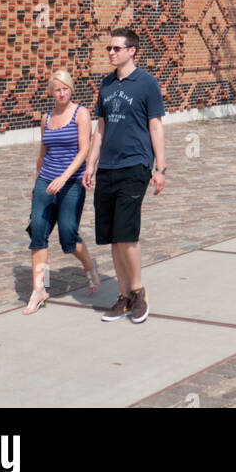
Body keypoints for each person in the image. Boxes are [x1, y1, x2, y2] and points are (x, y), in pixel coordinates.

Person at [83, 29, 165, 324]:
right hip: (107, 167)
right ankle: (124, 296)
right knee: (113, 238)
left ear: (132, 51)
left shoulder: (147, 84)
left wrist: (160, 168)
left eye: (116, 48)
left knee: (127, 234)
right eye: (109, 48)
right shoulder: (106, 84)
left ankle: (138, 292)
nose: (111, 52)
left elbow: (155, 126)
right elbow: (101, 128)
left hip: (135, 165)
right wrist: (90, 164)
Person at [23, 69, 99, 314]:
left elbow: (84, 150)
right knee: (38, 230)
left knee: (68, 235)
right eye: (57, 90)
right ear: (51, 92)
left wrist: (64, 177)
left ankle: (90, 266)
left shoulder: (80, 113)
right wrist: (37, 183)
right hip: (46, 180)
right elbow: (42, 153)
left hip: (71, 181)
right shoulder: (46, 118)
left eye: (65, 89)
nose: (61, 93)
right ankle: (39, 289)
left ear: (71, 89)